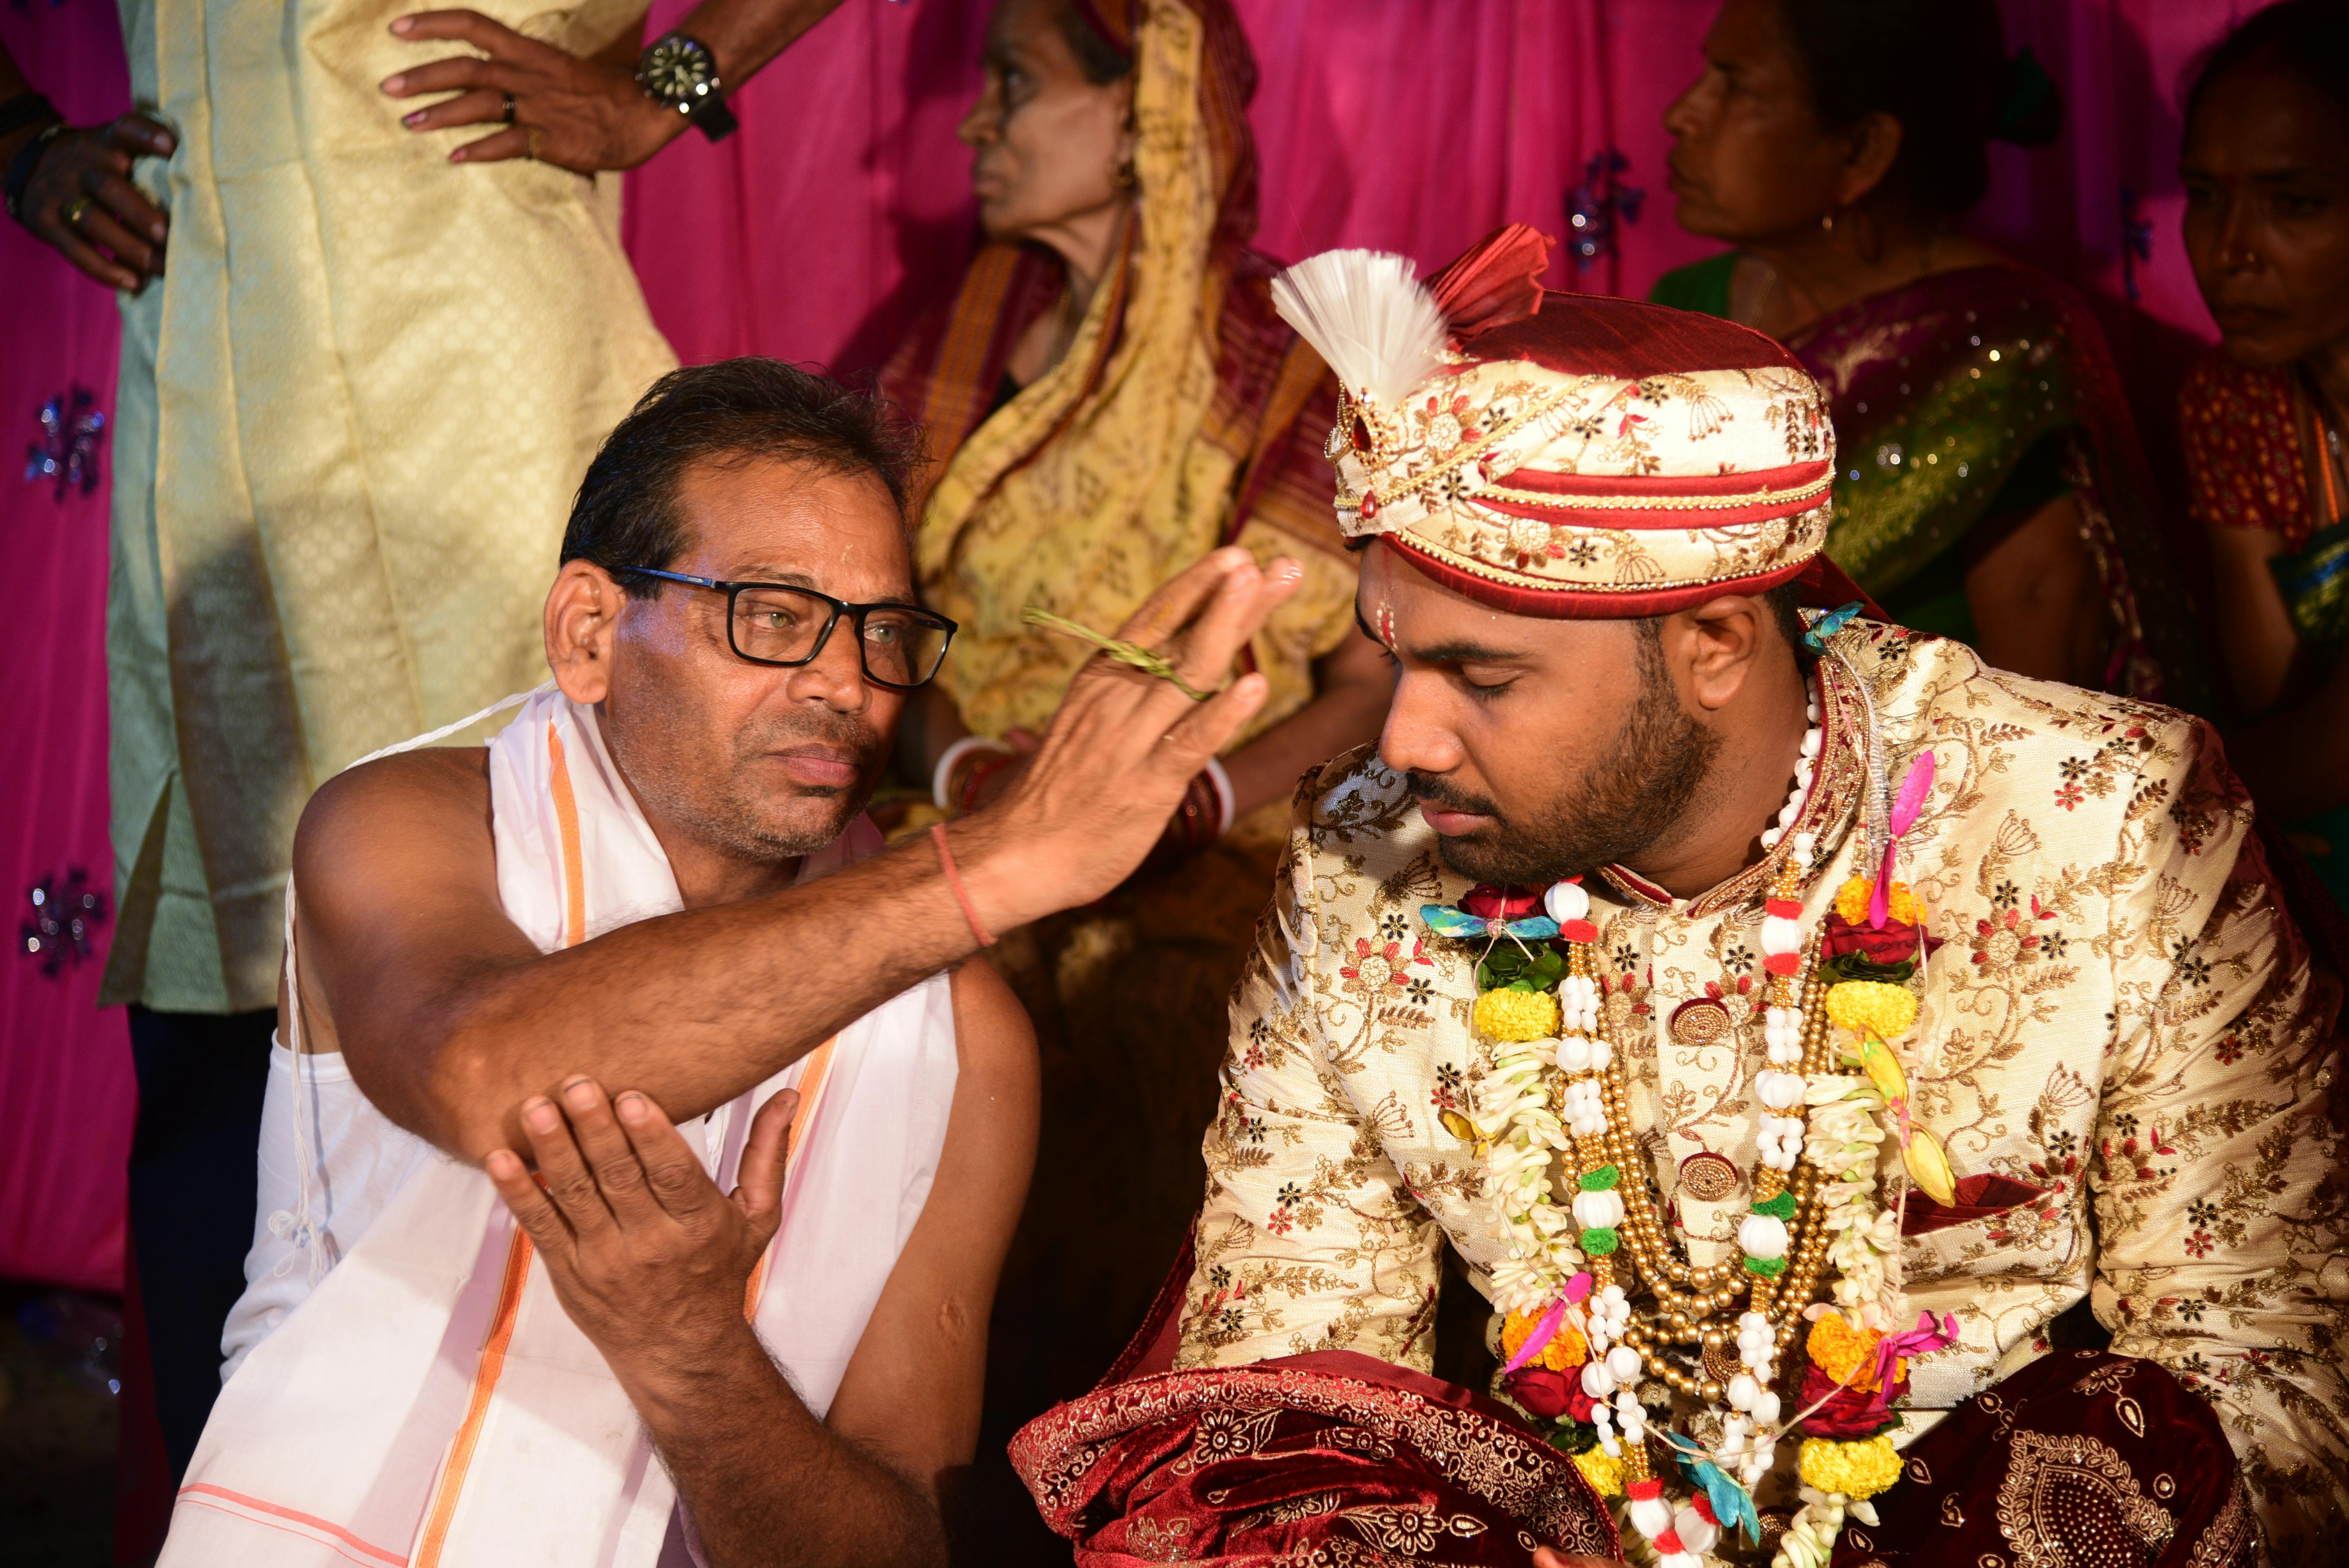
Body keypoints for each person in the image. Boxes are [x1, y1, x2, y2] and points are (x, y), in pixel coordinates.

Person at [1007, 237, 2333, 1564]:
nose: (1403, 740)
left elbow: (2269, 1378)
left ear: (1713, 646)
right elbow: (1286, 1367)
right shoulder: (1363, 860)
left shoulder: (2102, 822)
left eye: (1483, 677)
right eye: (1394, 658)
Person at [151, 357, 1307, 1566]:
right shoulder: (418, 824)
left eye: (883, 633)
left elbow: (897, 1552)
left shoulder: (967, 1039)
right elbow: (484, 1071)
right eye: (774, 617)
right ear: (590, 633)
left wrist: (691, 1353)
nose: (846, 684)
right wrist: (995, 860)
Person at [0, 0, 878, 1474]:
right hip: (216, 399)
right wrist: (22, 145)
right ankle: (265, 1506)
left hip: (486, 387)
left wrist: (663, 85)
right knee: (240, 988)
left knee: (568, 930)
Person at [876, 0, 1392, 1454]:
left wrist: (1187, 799)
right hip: (959, 815)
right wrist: (965, 768)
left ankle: (1134, 1466)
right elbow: (878, 610)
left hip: (1207, 851)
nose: (975, 123)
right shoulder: (972, 332)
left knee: (1159, 1035)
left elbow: (1368, 683)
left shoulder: (1298, 361)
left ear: (1143, 115)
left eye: (1016, 83)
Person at [1646, 0, 2209, 713]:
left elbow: (2041, 687)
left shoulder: (2005, 347)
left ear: (1863, 151)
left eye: (1737, 86)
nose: (1682, 115)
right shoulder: (1685, 308)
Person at [2178, 0, 2349, 920]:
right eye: (2205, 196)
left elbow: (2328, 751)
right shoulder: (2239, 399)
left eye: (2294, 203)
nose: (2229, 251)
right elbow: (2273, 699)